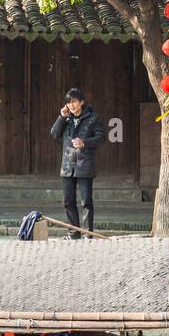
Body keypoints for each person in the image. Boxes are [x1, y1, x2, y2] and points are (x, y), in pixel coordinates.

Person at [51, 88, 106, 237]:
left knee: (86, 201)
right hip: (68, 165)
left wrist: (85, 142)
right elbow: (55, 133)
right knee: (68, 201)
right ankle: (73, 233)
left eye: (74, 102)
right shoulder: (66, 118)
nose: (71, 105)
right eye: (68, 102)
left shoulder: (93, 118)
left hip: (85, 164)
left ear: (81, 102)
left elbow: (101, 138)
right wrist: (61, 117)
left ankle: (87, 233)